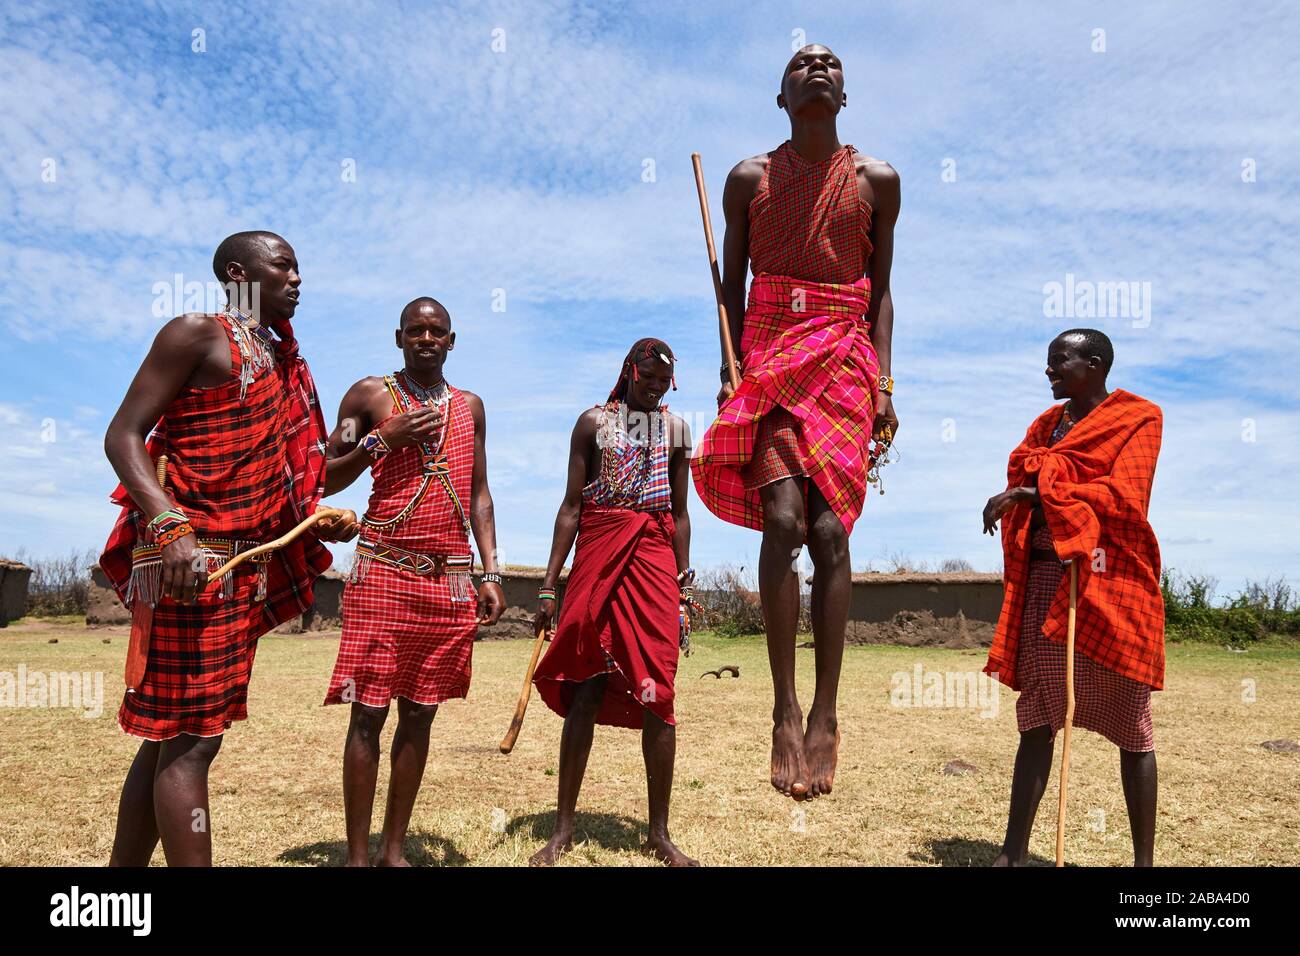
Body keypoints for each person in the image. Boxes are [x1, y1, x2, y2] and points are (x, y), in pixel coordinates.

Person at [691, 44, 900, 799]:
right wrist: (728, 373)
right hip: (770, 353)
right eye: (801, 65)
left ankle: (826, 713)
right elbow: (732, 285)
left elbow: (881, 291)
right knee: (783, 521)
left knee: (832, 533)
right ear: (781, 97)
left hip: (845, 357)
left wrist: (883, 385)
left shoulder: (878, 181)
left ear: (845, 93)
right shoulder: (750, 178)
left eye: (833, 64)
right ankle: (782, 709)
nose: (818, 69)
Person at [102, 231, 351, 866]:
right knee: (192, 744)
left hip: (241, 566)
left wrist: (311, 519)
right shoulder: (195, 333)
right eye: (284, 266)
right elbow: (123, 435)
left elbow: (290, 471)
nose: (298, 278)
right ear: (239, 273)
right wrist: (169, 526)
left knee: (172, 738)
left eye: (300, 267)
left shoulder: (280, 358)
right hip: (191, 563)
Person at [321, 296, 505, 867]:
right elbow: (324, 476)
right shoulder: (368, 396)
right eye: (416, 331)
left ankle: (393, 851)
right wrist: (382, 440)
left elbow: (478, 492)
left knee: (422, 710)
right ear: (397, 337)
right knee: (367, 711)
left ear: (453, 341)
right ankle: (357, 856)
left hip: (447, 576)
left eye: (437, 332)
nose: (426, 339)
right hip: (382, 567)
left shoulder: (470, 407)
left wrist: (491, 569)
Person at [982, 328, 1165, 867]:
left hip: (1111, 582)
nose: (1049, 371)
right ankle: (1012, 856)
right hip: (1045, 581)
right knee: (1037, 715)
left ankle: (1144, 867)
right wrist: (1035, 485)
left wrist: (1034, 491)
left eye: (1059, 361)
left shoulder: (1140, 417)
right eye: (1048, 362)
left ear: (1096, 363)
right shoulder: (1045, 425)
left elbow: (1123, 497)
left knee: (1133, 724)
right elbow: (1023, 465)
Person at [529, 339, 698, 867]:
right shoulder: (592, 424)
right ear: (628, 372)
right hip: (598, 553)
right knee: (586, 685)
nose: (653, 386)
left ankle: (659, 834)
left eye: (661, 381)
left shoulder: (676, 431)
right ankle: (562, 831)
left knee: (659, 692)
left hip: (652, 559)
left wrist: (683, 586)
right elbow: (571, 506)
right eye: (645, 376)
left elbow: (680, 512)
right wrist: (550, 583)